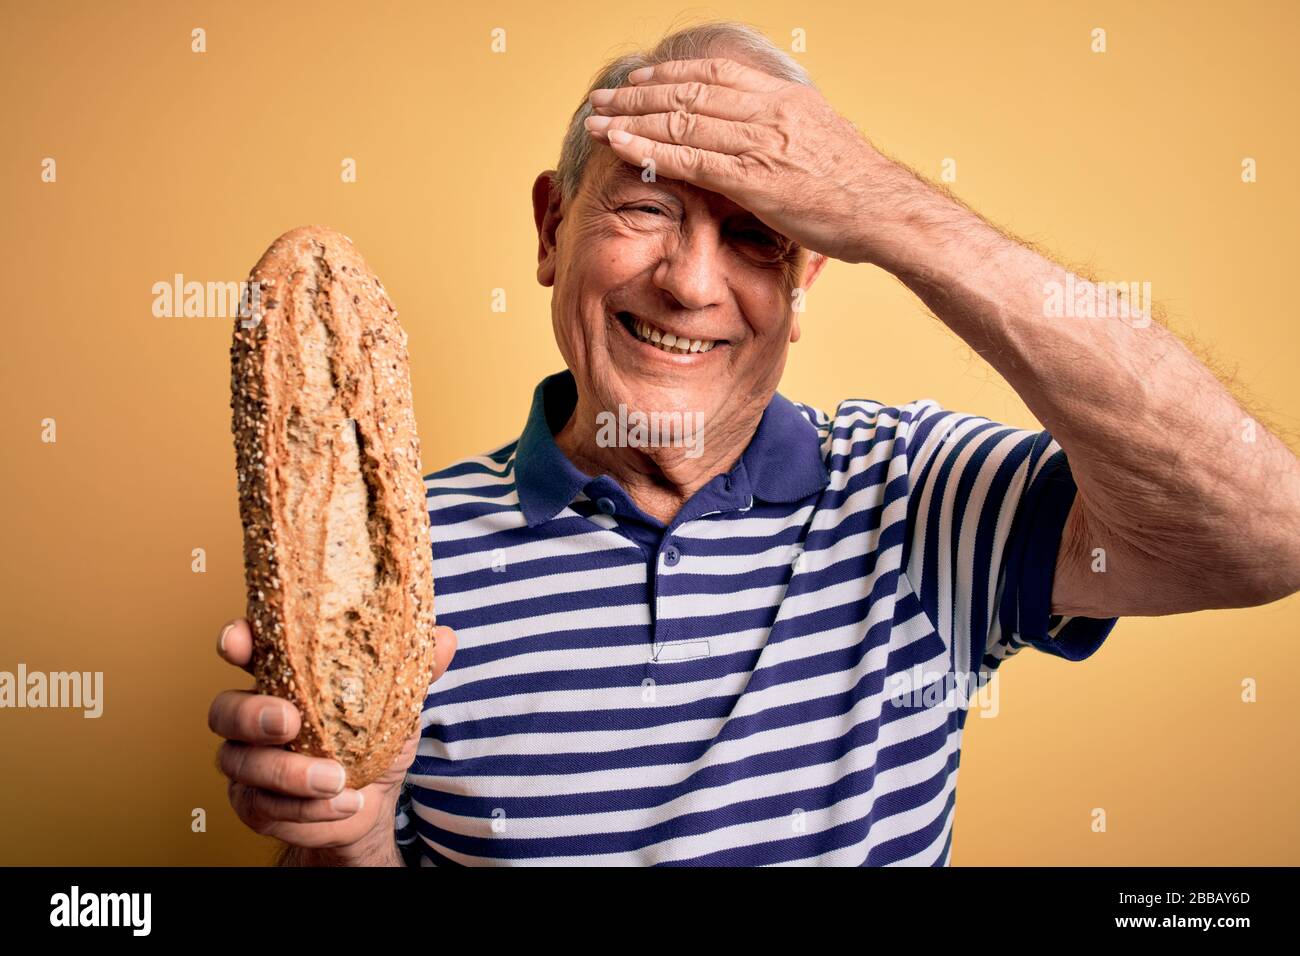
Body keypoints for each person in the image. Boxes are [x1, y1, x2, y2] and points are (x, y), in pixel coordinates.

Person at [208, 21, 1300, 866]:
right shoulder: (406, 562)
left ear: (808, 273)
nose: (688, 283)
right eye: (643, 206)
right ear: (551, 228)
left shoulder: (918, 492)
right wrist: (345, 838)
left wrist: (884, 205)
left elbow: (1269, 532)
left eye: (755, 233)